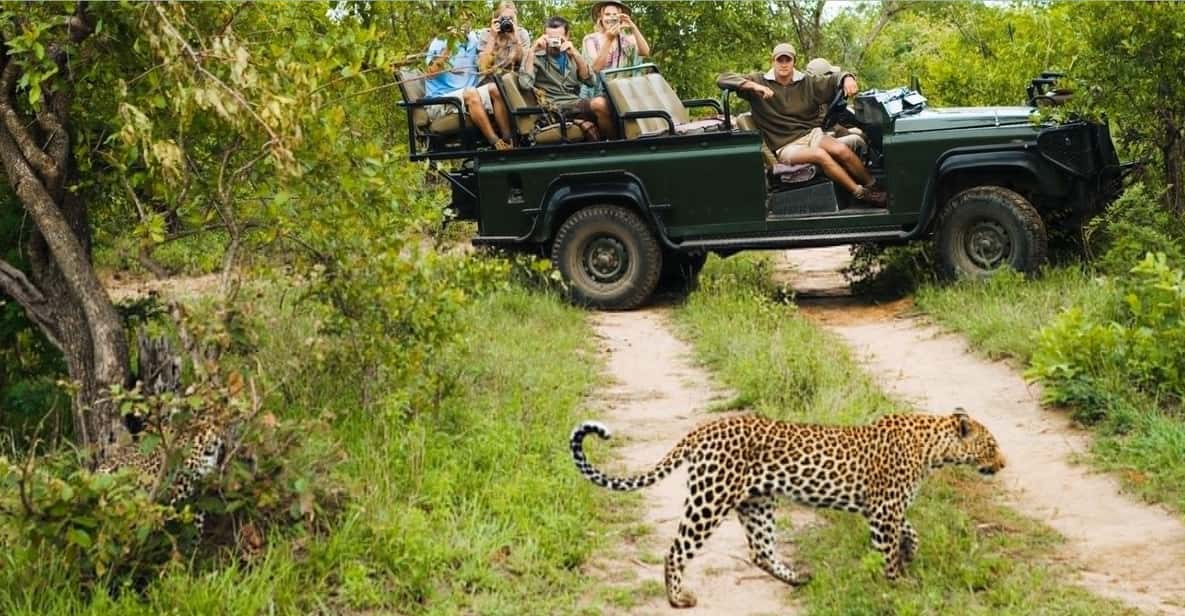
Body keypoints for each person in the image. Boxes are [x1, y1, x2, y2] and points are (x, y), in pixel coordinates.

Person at [717, 44, 886, 205]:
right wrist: (754, 87)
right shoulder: (760, 80)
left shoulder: (807, 82)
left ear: (794, 62)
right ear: (773, 61)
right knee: (820, 156)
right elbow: (723, 78)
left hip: (809, 134)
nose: (784, 64)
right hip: (785, 146)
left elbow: (832, 79)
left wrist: (847, 78)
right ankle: (861, 194)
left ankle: (874, 186)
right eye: (779, 60)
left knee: (841, 149)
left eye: (787, 60)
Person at [519, 16, 617, 140]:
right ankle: (611, 146)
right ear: (544, 36)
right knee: (599, 103)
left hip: (575, 104)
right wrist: (532, 50)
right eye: (550, 38)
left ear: (567, 35)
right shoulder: (535, 56)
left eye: (559, 38)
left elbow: (591, 81)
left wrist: (576, 54)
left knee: (611, 103)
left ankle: (621, 141)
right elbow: (525, 84)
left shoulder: (571, 55)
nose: (554, 42)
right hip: (554, 108)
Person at [423, 33, 514, 150]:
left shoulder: (473, 39)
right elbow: (429, 74)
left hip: (467, 96)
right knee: (471, 93)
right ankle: (495, 142)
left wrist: (494, 35)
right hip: (441, 100)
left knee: (495, 88)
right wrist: (448, 48)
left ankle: (508, 139)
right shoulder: (439, 42)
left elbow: (484, 67)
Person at [805, 57, 868, 159]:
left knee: (861, 134)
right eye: (829, 75)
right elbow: (820, 126)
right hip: (817, 137)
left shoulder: (825, 96)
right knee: (858, 139)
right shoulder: (810, 98)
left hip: (827, 131)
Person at [582, 1, 650, 73]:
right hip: (601, 83)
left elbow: (645, 52)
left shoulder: (626, 39)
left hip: (622, 83)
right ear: (601, 17)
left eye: (615, 14)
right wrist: (609, 39)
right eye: (607, 14)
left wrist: (633, 27)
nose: (611, 18)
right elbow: (595, 68)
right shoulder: (590, 40)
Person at [477, 0, 530, 82]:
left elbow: (522, 63)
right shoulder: (487, 33)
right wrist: (492, 37)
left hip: (512, 79)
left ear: (515, 20)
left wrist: (516, 39)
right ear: (496, 19)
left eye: (510, 19)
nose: (507, 22)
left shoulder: (522, 34)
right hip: (489, 78)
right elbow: (482, 67)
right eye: (503, 19)